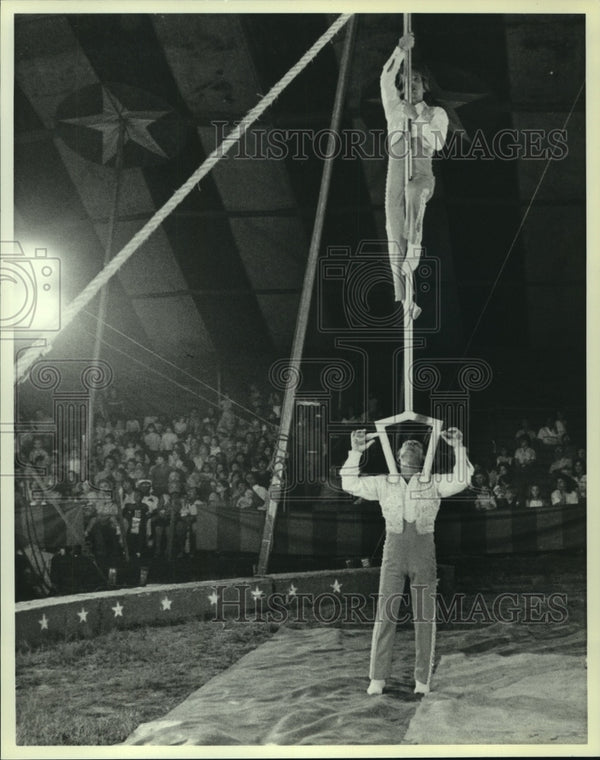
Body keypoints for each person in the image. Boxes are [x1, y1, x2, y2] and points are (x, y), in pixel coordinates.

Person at [340, 427, 473, 695]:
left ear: (422, 458)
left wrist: (458, 446)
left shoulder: (433, 482)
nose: (410, 447)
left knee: (424, 617)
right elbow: (348, 483)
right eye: (405, 446)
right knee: (385, 613)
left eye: (416, 446)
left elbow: (463, 478)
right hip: (394, 552)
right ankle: (377, 678)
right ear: (398, 457)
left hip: (423, 553)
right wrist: (355, 451)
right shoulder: (383, 482)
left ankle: (422, 680)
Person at [381, 31, 448, 314]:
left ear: (425, 86)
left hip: (421, 173)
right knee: (393, 227)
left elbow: (438, 143)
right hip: (397, 167)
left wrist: (417, 117)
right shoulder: (393, 108)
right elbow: (385, 76)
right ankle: (407, 299)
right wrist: (399, 50)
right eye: (407, 82)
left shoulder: (436, 113)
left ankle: (416, 242)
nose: (413, 86)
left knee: (413, 192)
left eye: (418, 81)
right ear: (401, 88)